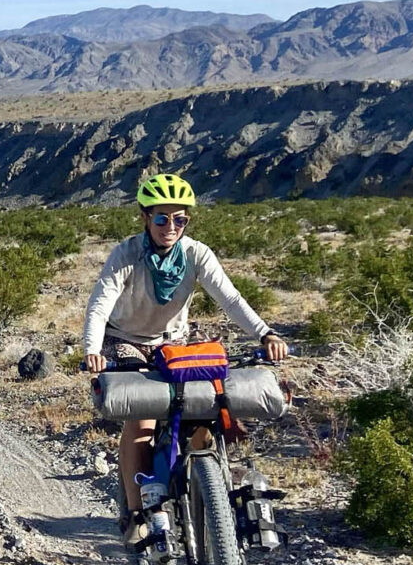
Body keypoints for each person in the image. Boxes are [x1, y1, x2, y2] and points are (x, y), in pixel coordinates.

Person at [82, 173, 288, 545]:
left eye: (180, 219)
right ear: (145, 217)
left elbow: (231, 299)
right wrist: (93, 350)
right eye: (161, 218)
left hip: (173, 342)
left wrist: (265, 333)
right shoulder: (127, 254)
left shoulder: (196, 254)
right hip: (124, 340)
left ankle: (205, 493)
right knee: (143, 419)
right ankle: (135, 515)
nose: (170, 227)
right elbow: (100, 305)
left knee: (202, 410)